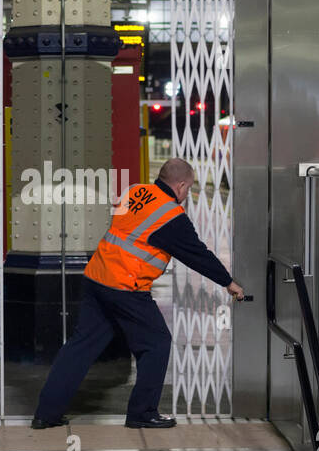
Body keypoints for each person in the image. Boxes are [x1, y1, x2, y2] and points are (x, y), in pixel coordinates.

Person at [31, 158, 244, 430]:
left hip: (97, 277)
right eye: (188, 189)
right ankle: (142, 413)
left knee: (79, 348)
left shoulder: (135, 191)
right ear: (180, 186)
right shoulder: (170, 216)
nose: (186, 195)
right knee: (156, 343)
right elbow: (196, 254)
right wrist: (228, 282)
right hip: (126, 287)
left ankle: (45, 414)